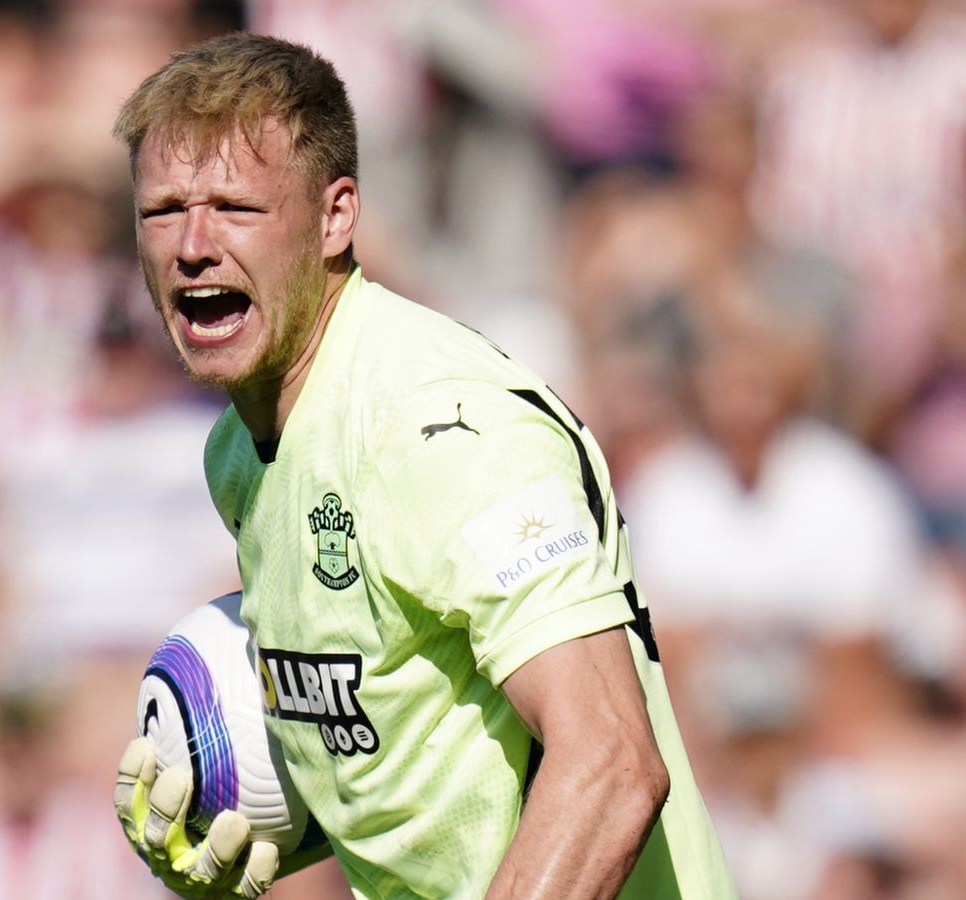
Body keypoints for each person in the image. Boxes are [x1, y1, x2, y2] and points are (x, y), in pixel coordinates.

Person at [110, 33, 736, 899]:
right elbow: (425, 741)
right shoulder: (239, 452)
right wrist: (256, 807)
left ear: (336, 217)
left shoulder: (436, 427)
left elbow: (613, 763)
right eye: (163, 210)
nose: (193, 244)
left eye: (236, 208)